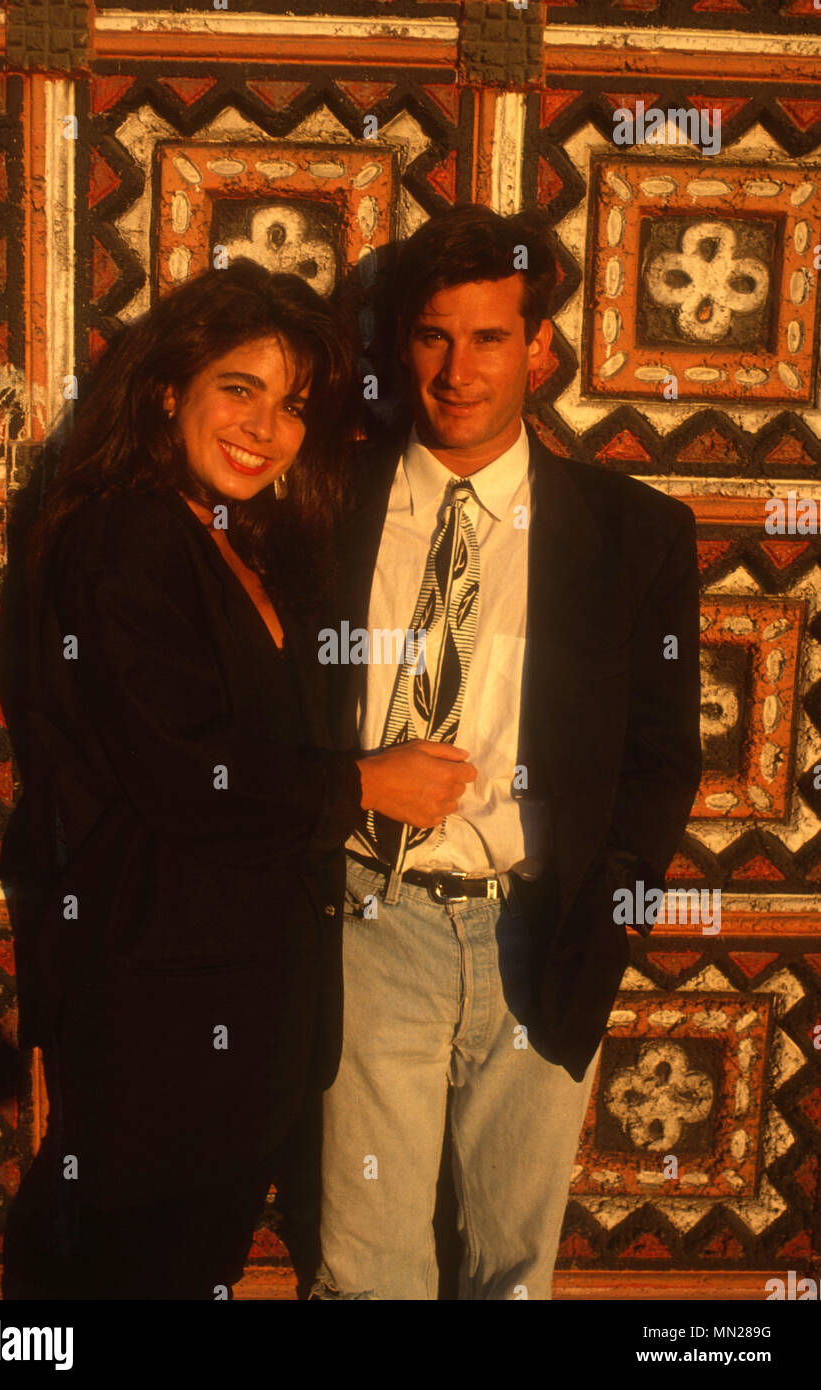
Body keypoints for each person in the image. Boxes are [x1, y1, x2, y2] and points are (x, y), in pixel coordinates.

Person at [0, 259, 472, 1300]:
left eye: (293, 405)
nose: (264, 427)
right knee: (126, 1260)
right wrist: (361, 785)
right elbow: (181, 774)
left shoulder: (229, 537)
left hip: (241, 987)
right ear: (170, 388)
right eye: (239, 389)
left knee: (185, 1249)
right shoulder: (123, 535)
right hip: (155, 985)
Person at [312, 205, 703, 1301]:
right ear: (402, 343)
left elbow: (663, 754)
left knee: (508, 1269)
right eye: (434, 335)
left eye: (489, 338)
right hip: (363, 919)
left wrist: (607, 903)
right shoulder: (324, 502)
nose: (457, 368)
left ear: (539, 348)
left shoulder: (634, 532)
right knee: (363, 1265)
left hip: (538, 930)